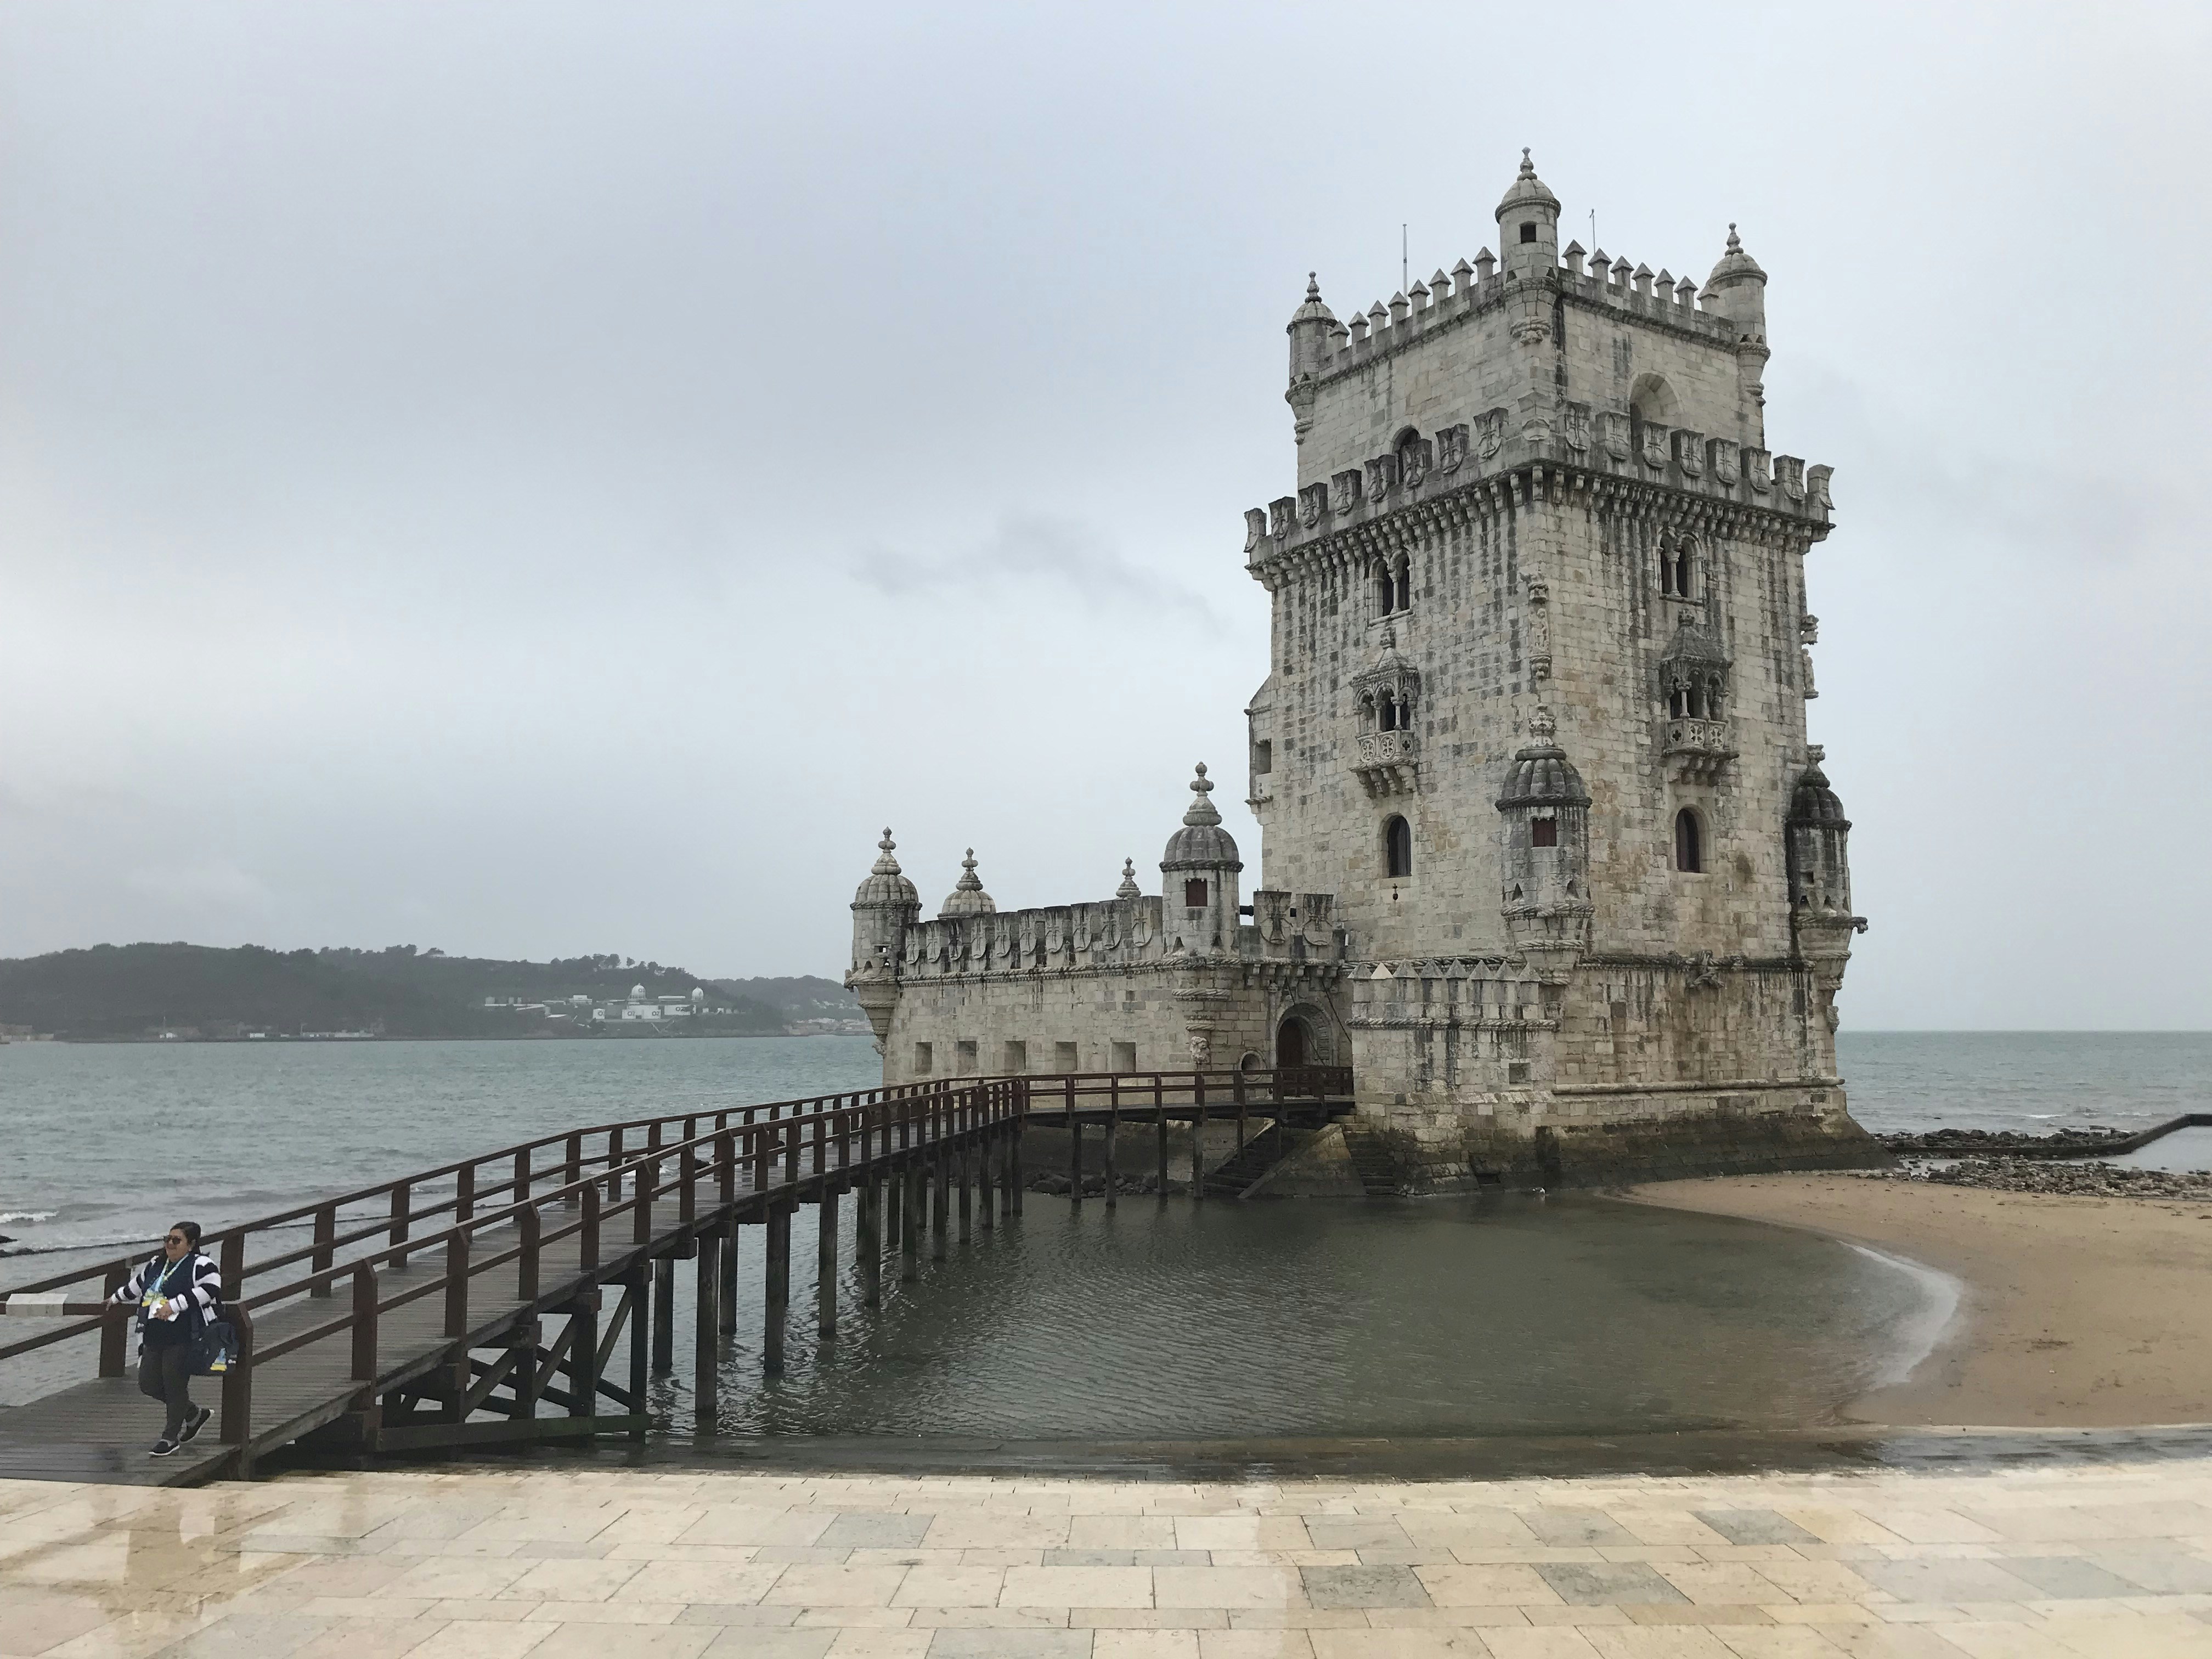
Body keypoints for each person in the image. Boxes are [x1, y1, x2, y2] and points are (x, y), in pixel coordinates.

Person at [108, 1221, 222, 1455]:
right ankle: (194, 1414)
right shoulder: (157, 1264)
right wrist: (115, 1298)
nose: (170, 1244)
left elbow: (212, 1289)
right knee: (148, 1384)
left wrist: (175, 1305)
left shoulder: (201, 1264)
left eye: (176, 1240)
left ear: (191, 1245)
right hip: (154, 1335)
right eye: (167, 1239)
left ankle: (170, 1439)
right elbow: (138, 1286)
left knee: (174, 1386)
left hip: (184, 1335)